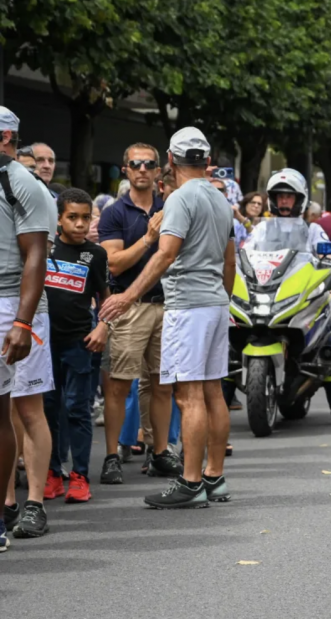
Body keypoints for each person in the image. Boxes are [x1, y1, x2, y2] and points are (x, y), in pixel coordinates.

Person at [100, 126, 236, 509]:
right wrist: (222, 302)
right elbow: (229, 262)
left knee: (188, 396)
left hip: (188, 305)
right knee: (213, 392)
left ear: (171, 160)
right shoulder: (221, 200)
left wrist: (127, 295)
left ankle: (191, 483)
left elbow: (165, 254)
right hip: (214, 303)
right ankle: (214, 476)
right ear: (206, 161)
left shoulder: (179, 199)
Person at [243, 169, 331, 426]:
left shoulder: (312, 229)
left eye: (289, 196)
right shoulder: (261, 229)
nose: (284, 201)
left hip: (302, 294)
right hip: (269, 293)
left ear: (300, 199)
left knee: (327, 344)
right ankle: (220, 409)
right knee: (230, 342)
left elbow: (328, 259)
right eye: (279, 196)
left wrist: (328, 274)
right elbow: (244, 255)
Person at [96, 143, 181, 485]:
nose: (142, 169)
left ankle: (159, 452)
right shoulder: (114, 212)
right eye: (135, 164)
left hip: (167, 305)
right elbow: (114, 263)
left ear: (159, 171)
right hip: (129, 307)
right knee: (119, 385)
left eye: (149, 164)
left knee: (161, 384)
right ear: (125, 169)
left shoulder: (171, 207)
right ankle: (112, 456)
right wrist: (148, 239)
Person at [0, 107, 53, 544]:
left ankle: (33, 502)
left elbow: (36, 254)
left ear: (5, 138)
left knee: (26, 407)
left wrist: (21, 319)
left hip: (16, 307)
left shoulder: (22, 183)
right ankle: (6, 504)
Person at [43, 188, 109, 505]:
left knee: (78, 409)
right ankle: (52, 473)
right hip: (44, 343)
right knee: (47, 408)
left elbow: (105, 297)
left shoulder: (96, 254)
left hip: (80, 342)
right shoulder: (45, 248)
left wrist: (103, 326)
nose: (80, 224)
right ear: (59, 219)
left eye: (86, 217)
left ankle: (80, 476)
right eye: (73, 217)